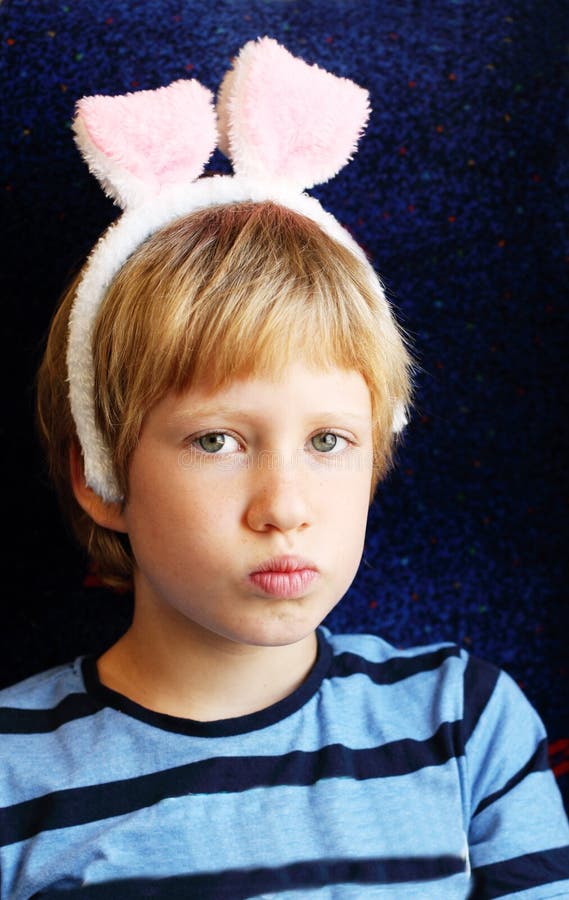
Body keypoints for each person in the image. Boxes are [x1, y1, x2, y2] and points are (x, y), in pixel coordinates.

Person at [1, 36, 567, 900]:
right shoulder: (15, 772)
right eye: (216, 441)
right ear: (102, 477)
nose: (284, 506)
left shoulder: (466, 723)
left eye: (328, 442)